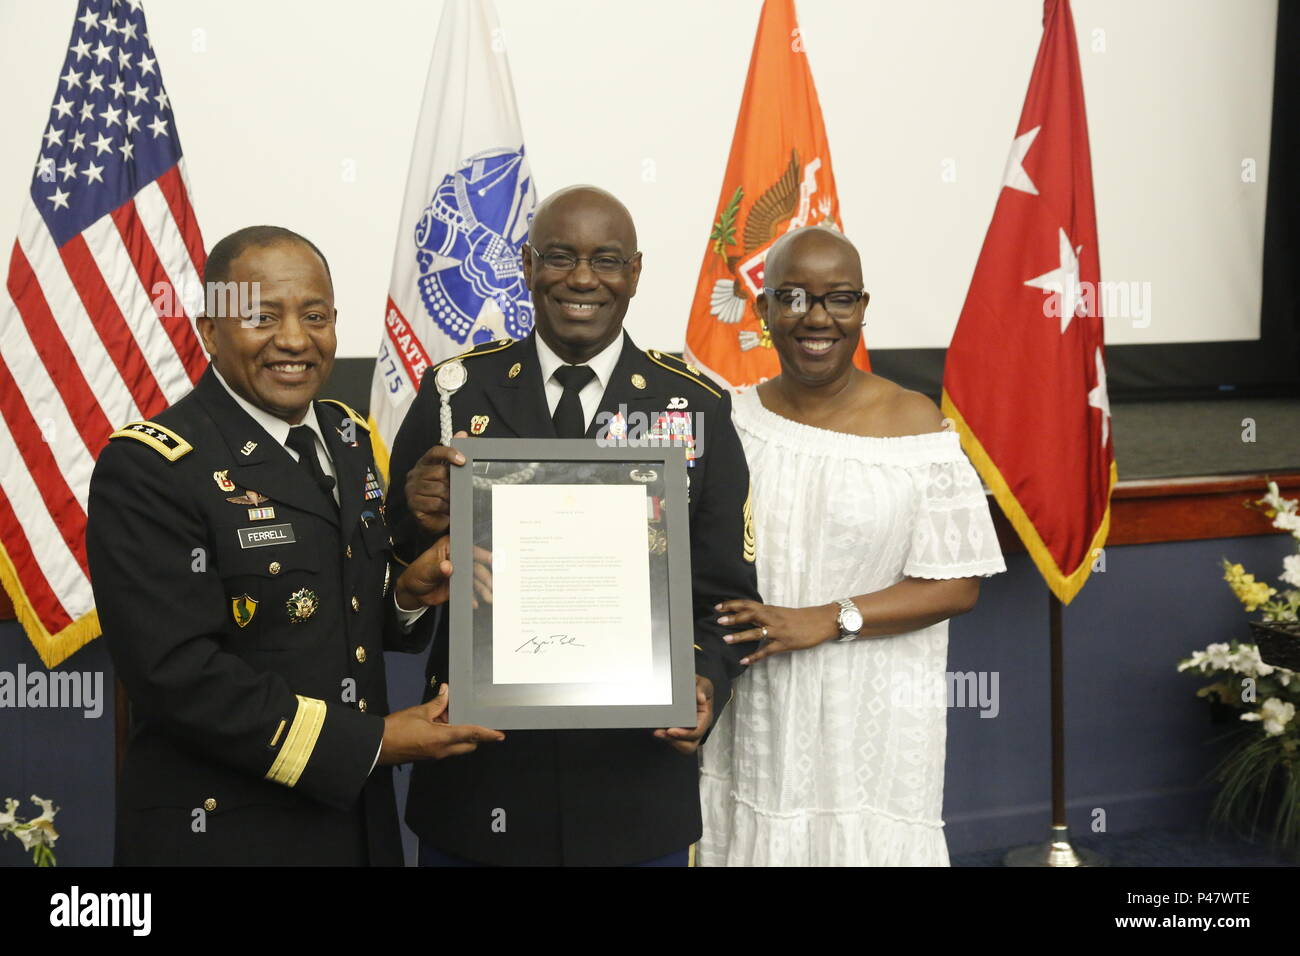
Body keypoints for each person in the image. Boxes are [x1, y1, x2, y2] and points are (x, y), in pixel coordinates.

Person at [86, 226, 502, 866]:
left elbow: (332, 612)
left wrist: (405, 595)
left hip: (357, 825)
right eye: (262, 317)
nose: (294, 340)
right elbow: (177, 676)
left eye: (315, 316)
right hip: (227, 832)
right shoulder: (152, 467)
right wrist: (372, 743)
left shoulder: (346, 436)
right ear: (209, 331)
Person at [386, 185, 761, 866]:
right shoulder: (453, 395)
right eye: (560, 257)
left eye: (606, 260)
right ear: (527, 266)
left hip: (632, 790)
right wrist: (417, 520)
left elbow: (725, 599)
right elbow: (392, 585)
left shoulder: (695, 407)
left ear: (635, 273)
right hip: (479, 782)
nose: (583, 279)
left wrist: (703, 682)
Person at [698, 226, 1006, 866]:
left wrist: (826, 618)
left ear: (862, 308)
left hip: (870, 716)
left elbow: (958, 584)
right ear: (763, 309)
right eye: (793, 297)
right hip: (757, 710)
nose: (817, 318)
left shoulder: (916, 426)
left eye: (839, 298)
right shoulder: (730, 421)